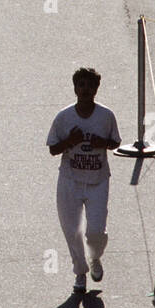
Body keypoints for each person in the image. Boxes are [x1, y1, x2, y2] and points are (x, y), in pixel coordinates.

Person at [46, 66, 121, 294]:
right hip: (70, 180)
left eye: (90, 85)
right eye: (81, 85)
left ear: (97, 88)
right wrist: (70, 140)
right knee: (73, 230)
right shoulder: (64, 117)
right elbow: (53, 148)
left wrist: (104, 144)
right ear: (75, 88)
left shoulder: (106, 116)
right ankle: (80, 273)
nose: (85, 89)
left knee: (96, 231)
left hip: (98, 180)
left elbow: (115, 142)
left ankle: (94, 258)